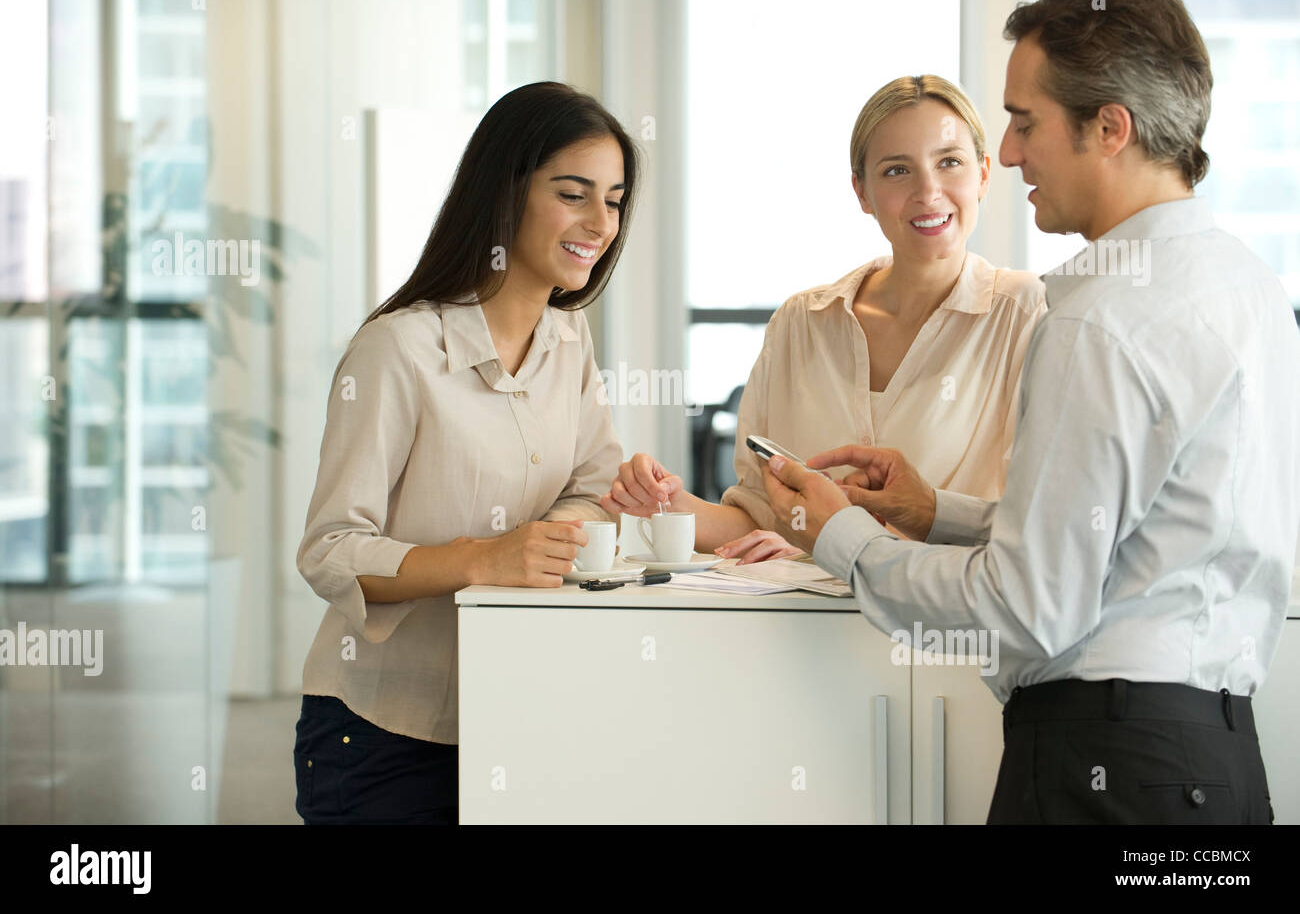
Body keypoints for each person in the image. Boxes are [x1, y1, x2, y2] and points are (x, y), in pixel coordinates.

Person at [761, 0, 1300, 824]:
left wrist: (847, 539)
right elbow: (1139, 533)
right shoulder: (1250, 287)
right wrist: (937, 510)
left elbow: (1028, 609)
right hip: (1222, 766)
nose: (1006, 154)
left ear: (1109, 128)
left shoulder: (1098, 320)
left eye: (1024, 123)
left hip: (1104, 769)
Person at [292, 82, 637, 823]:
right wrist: (483, 557)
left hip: (515, 710)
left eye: (613, 199)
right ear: (504, 191)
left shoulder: (566, 338)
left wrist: (555, 534)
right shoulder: (398, 350)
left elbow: (594, 484)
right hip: (380, 730)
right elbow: (330, 550)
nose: (599, 222)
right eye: (573, 193)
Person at [601, 76, 1046, 561]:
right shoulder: (801, 323)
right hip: (798, 632)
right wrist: (666, 504)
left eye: (950, 162)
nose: (928, 190)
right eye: (897, 170)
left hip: (942, 631)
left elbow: (1037, 527)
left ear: (982, 174)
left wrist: (834, 545)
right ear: (862, 192)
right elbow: (757, 518)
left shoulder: (1025, 314)